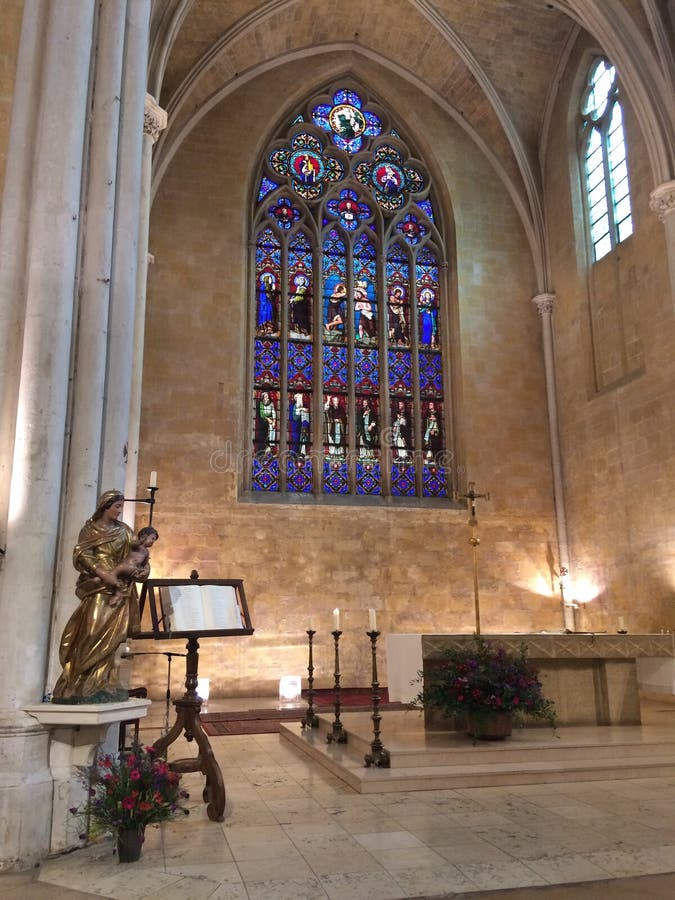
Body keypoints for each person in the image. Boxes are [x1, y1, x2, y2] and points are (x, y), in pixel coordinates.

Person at [52, 490, 152, 702]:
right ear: (105, 506)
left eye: (121, 507)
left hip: (120, 586)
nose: (119, 511)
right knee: (91, 629)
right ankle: (75, 682)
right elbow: (82, 555)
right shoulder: (89, 530)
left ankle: (101, 683)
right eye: (117, 507)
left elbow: (137, 554)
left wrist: (143, 570)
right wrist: (103, 574)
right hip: (98, 586)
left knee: (113, 639)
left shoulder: (124, 531)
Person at [106, 526, 159, 609]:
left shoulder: (146, 552)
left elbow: (145, 563)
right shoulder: (137, 545)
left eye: (154, 540)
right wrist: (140, 541)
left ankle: (110, 578)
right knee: (119, 575)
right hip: (127, 566)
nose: (152, 542)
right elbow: (131, 544)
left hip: (132, 568)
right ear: (144, 536)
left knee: (119, 568)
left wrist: (142, 569)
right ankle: (116, 591)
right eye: (152, 538)